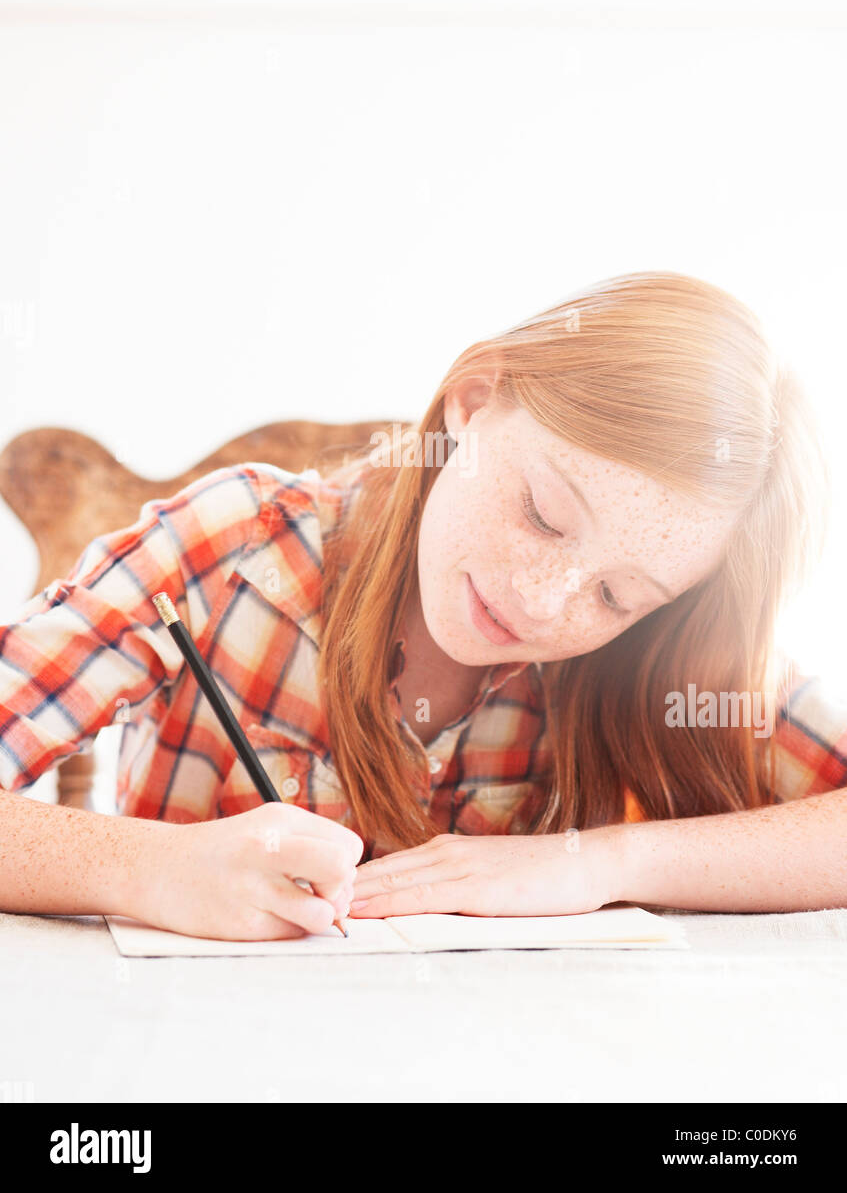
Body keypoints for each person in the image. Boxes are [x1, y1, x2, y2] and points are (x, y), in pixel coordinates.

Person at [1, 272, 844, 940]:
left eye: (616, 595)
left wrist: (601, 862)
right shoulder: (232, 544)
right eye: (542, 515)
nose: (541, 602)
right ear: (471, 402)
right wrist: (144, 866)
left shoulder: (662, 644)